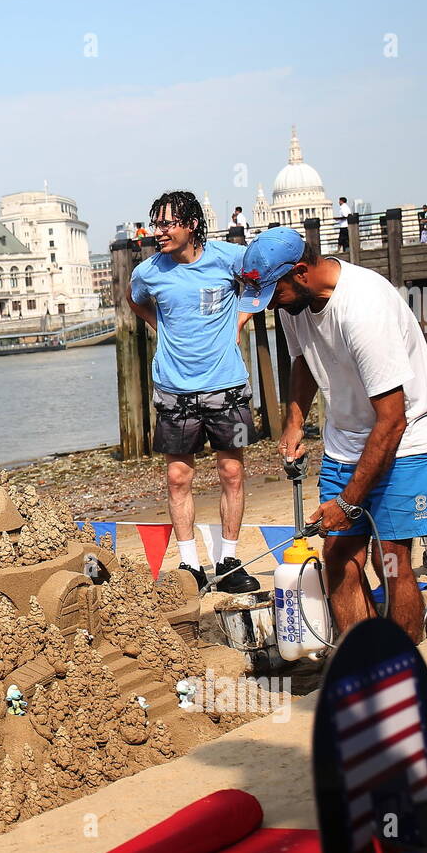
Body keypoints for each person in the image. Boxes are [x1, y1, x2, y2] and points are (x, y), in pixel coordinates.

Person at [239, 226, 427, 643]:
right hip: (346, 440)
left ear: (300, 272)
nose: (268, 307)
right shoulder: (292, 305)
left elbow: (393, 422)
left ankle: (406, 664)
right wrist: (294, 422)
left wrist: (348, 502)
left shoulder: (364, 309)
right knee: (337, 558)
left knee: (389, 559)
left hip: (407, 439)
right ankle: (365, 664)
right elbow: (303, 362)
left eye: (272, 294)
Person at [128, 190, 262, 592]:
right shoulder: (148, 272)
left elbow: (263, 282)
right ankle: (190, 564)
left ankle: (229, 561)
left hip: (227, 387)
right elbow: (137, 303)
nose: (159, 231)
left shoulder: (229, 258)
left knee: (232, 472)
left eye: (167, 223)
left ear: (191, 225)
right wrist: (162, 330)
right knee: (177, 477)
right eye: (156, 223)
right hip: (174, 391)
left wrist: (238, 321)